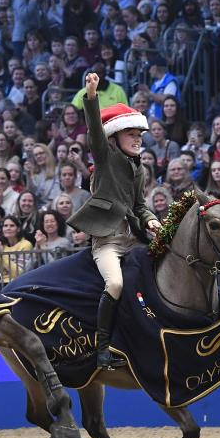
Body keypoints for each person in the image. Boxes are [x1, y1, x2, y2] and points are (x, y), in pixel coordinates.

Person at [68, 73, 161, 370]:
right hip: (107, 241)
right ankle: (103, 348)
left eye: (139, 135)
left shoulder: (139, 169)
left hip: (134, 238)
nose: (137, 139)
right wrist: (92, 96)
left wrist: (152, 221)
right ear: (114, 138)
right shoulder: (105, 157)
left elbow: (139, 206)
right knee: (117, 283)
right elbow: (95, 131)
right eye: (131, 134)